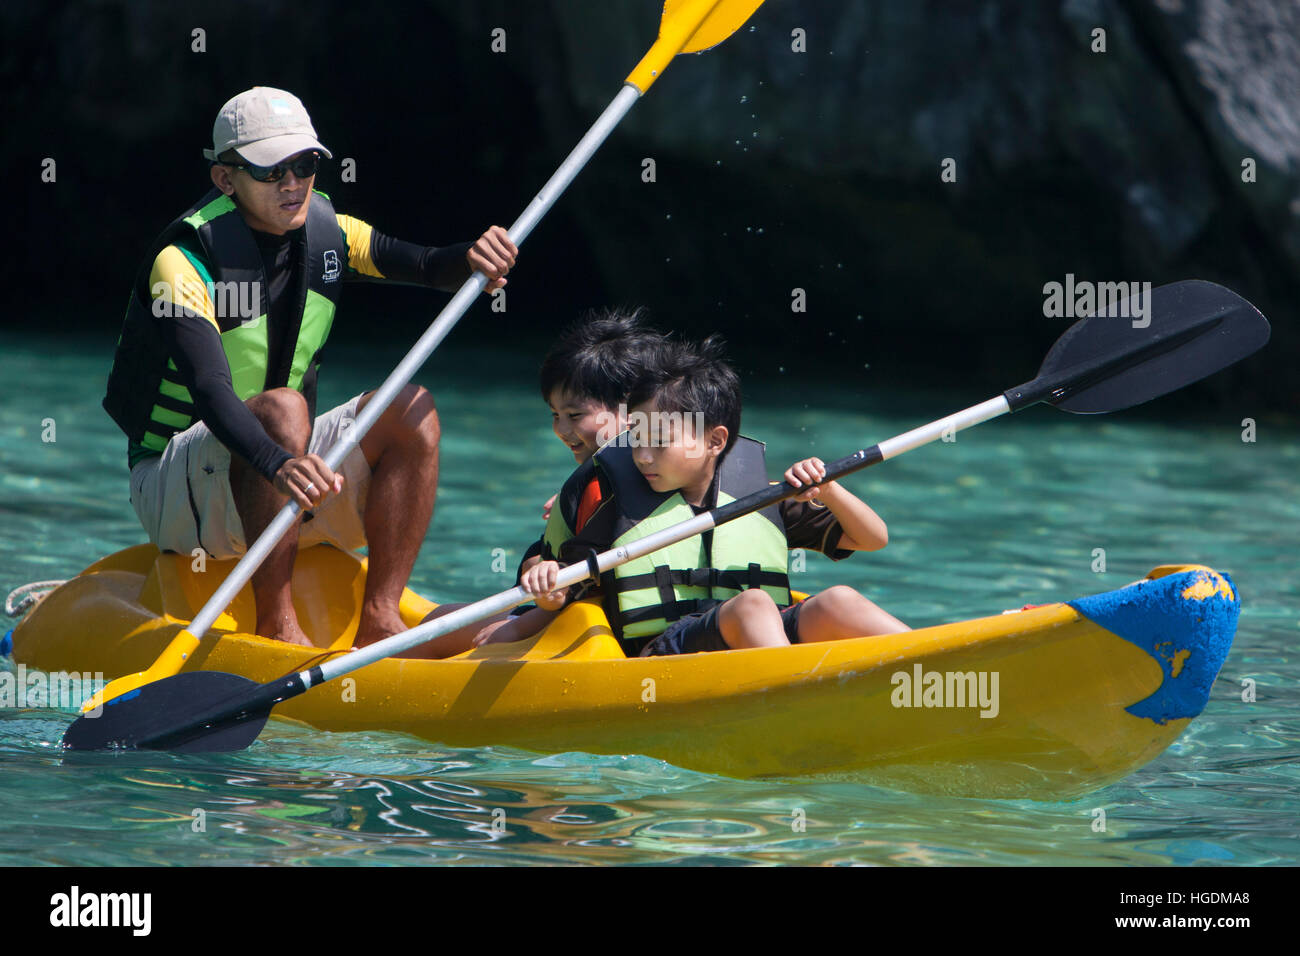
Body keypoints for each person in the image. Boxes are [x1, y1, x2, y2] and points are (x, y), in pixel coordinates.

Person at [103, 86, 518, 648]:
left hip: (282, 472)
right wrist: (279, 464)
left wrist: (472, 258)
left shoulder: (330, 233)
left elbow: (424, 263)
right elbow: (209, 388)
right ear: (225, 178)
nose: (292, 183)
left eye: (304, 164)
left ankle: (380, 617)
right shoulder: (181, 263)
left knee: (410, 409)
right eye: (271, 170)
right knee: (284, 407)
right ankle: (277, 625)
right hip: (175, 491)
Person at [487, 334, 910, 656]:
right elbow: (560, 591)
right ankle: (794, 694)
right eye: (637, 440)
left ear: (715, 441)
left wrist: (829, 489)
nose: (643, 456)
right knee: (752, 604)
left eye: (659, 442)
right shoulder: (614, 504)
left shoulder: (760, 498)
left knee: (837, 600)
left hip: (755, 637)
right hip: (665, 652)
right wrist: (547, 582)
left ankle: (930, 669)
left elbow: (872, 538)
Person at [412, 309, 667, 657]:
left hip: (582, 634)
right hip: (625, 626)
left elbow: (578, 591)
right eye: (555, 415)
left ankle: (371, 672)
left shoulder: (603, 488)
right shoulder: (681, 471)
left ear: (632, 411)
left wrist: (518, 626)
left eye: (574, 415)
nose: (562, 430)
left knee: (434, 626)